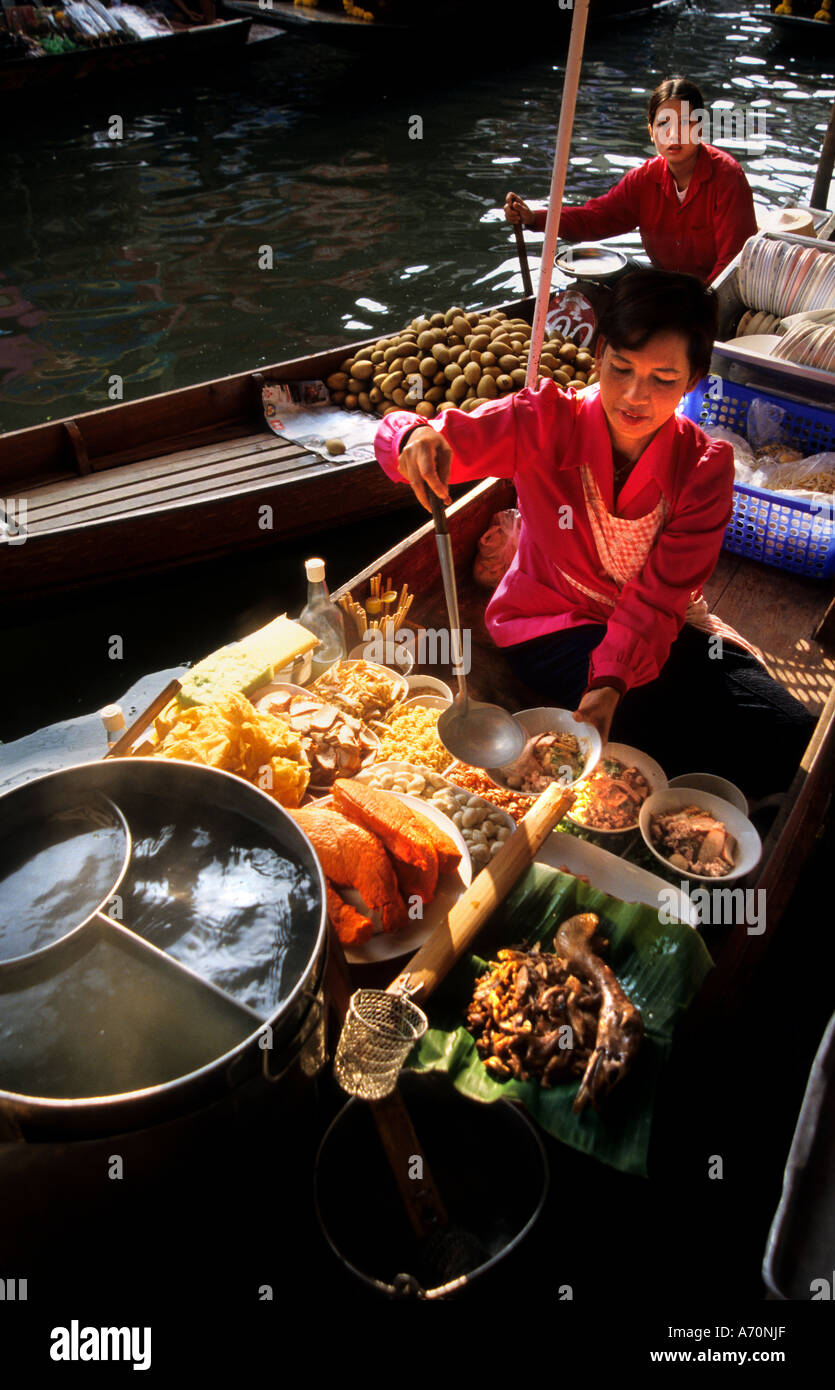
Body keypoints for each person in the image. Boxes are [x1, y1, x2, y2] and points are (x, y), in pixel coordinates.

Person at [374, 271, 814, 798]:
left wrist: (610, 680)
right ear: (599, 353)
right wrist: (412, 436)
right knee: (657, 728)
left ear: (694, 379)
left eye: (663, 379)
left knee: (794, 736)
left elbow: (660, 597)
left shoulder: (703, 468)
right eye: (621, 368)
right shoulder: (541, 421)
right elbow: (424, 440)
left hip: (653, 625)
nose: (633, 396)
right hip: (550, 622)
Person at [504, 77, 758, 285]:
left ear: (700, 128)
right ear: (651, 132)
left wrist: (697, 306)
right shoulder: (644, 179)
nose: (673, 134)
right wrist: (534, 218)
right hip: (667, 284)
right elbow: (595, 218)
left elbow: (733, 263)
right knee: (597, 279)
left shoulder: (727, 177)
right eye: (663, 124)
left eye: (684, 123)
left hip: (714, 292)